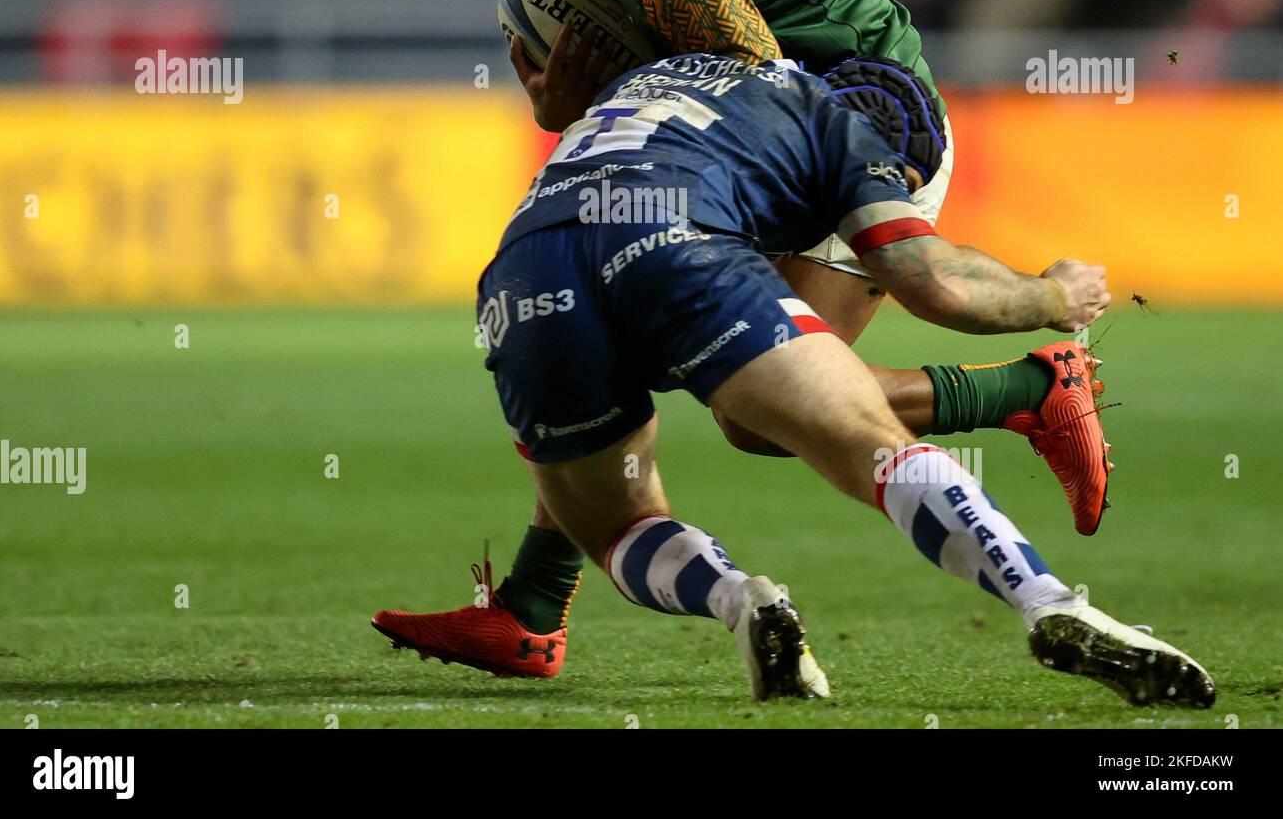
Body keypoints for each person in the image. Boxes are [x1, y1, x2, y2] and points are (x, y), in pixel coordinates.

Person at [374, 51, 1215, 709]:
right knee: (868, 447)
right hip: (678, 246)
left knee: (619, 528)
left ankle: (743, 601)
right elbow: (932, 281)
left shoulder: (656, 69)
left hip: (525, 266)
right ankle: (1046, 601)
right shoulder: (839, 128)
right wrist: (1053, 293)